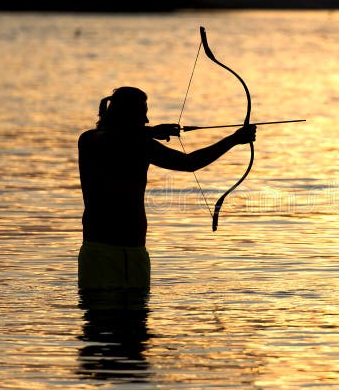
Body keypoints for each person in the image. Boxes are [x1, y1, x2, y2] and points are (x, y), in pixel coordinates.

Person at [77, 86, 256, 290]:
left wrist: (150, 132)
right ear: (125, 115)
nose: (146, 120)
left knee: (124, 319)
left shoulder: (97, 141)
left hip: (129, 251)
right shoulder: (101, 141)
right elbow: (189, 163)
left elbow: (122, 138)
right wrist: (233, 140)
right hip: (102, 252)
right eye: (141, 114)